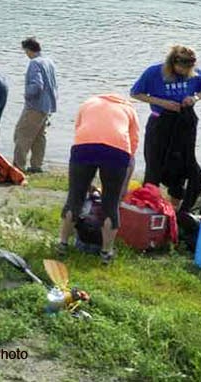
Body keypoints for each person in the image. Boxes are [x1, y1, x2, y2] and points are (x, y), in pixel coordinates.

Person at [57, 94, 140, 264]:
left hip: (84, 146)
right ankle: (106, 252)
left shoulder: (88, 103)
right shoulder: (129, 109)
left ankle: (62, 244)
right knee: (111, 202)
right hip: (116, 151)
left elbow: (78, 128)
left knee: (74, 197)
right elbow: (134, 141)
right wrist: (126, 166)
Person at [131, 45, 201, 214]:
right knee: (154, 166)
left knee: (186, 169)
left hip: (184, 123)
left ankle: (178, 209)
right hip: (160, 122)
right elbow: (135, 93)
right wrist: (162, 102)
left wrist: (195, 98)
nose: (184, 72)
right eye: (181, 68)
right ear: (172, 63)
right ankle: (149, 207)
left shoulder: (194, 72)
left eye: (188, 70)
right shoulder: (154, 72)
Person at [12, 37, 58, 174]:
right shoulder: (49, 62)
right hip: (47, 106)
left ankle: (18, 167)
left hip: (35, 106)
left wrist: (27, 95)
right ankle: (36, 166)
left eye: (25, 51)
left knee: (21, 134)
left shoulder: (34, 63)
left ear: (28, 50)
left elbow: (37, 85)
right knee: (39, 136)